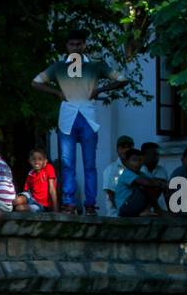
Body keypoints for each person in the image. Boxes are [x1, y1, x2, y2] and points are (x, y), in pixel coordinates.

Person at [31, 29, 128, 214]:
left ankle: (90, 204)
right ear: (67, 46)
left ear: (84, 45)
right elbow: (35, 82)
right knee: (68, 163)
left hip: (87, 117)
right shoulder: (58, 66)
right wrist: (57, 92)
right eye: (71, 44)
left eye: (78, 44)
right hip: (67, 116)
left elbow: (122, 79)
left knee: (89, 164)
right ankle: (69, 203)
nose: (75, 47)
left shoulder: (96, 65)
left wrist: (99, 90)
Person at [115, 147, 166, 217]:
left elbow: (151, 181)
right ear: (126, 162)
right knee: (146, 186)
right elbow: (147, 182)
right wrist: (161, 183)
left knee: (155, 186)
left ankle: (147, 210)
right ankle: (150, 210)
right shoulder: (127, 173)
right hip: (124, 208)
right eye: (134, 160)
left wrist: (161, 184)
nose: (137, 163)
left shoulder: (141, 174)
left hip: (134, 206)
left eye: (140, 160)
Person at [140, 142, 171, 213]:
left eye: (158, 155)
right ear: (144, 155)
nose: (157, 158)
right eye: (154, 155)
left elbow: (166, 192)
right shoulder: (138, 170)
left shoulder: (162, 170)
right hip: (143, 213)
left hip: (162, 211)